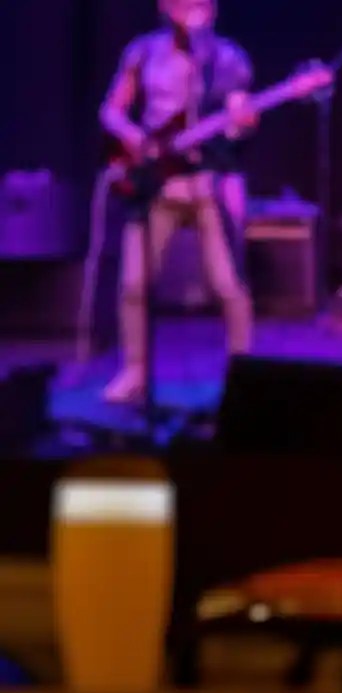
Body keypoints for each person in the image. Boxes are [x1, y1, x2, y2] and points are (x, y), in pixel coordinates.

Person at [99, 0, 257, 403]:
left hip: (208, 185)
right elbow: (111, 111)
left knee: (229, 285)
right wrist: (136, 139)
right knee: (134, 283)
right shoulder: (142, 52)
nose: (194, 8)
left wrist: (242, 123)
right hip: (157, 183)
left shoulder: (230, 58)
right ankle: (135, 372)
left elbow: (238, 123)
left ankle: (244, 376)